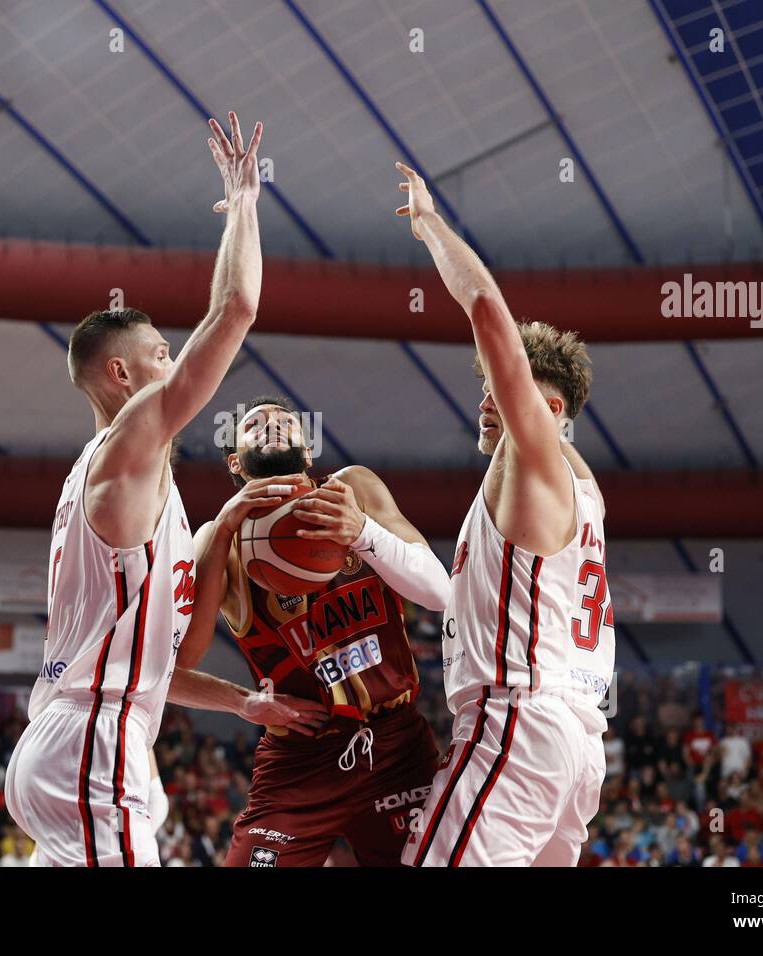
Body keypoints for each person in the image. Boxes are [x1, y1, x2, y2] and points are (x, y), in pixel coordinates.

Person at [4, 111, 300, 868]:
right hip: (92, 745)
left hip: (75, 741)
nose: (175, 367)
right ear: (122, 376)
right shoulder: (129, 444)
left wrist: (239, 702)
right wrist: (244, 203)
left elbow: (150, 670)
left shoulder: (118, 478)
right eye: (162, 354)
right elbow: (236, 311)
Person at [393, 161, 616, 867]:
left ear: (550, 411)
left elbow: (487, 309)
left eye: (502, 387)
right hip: (575, 746)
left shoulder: (538, 455)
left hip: (517, 722)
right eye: (486, 389)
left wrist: (428, 224)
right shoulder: (584, 492)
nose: (487, 399)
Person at [172, 396, 449, 866]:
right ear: (236, 461)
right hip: (300, 756)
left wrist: (362, 532)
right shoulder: (220, 540)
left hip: (395, 744)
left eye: (286, 420)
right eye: (256, 422)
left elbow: (439, 592)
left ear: (308, 452)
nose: (273, 424)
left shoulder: (354, 490)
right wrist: (241, 702)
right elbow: (177, 666)